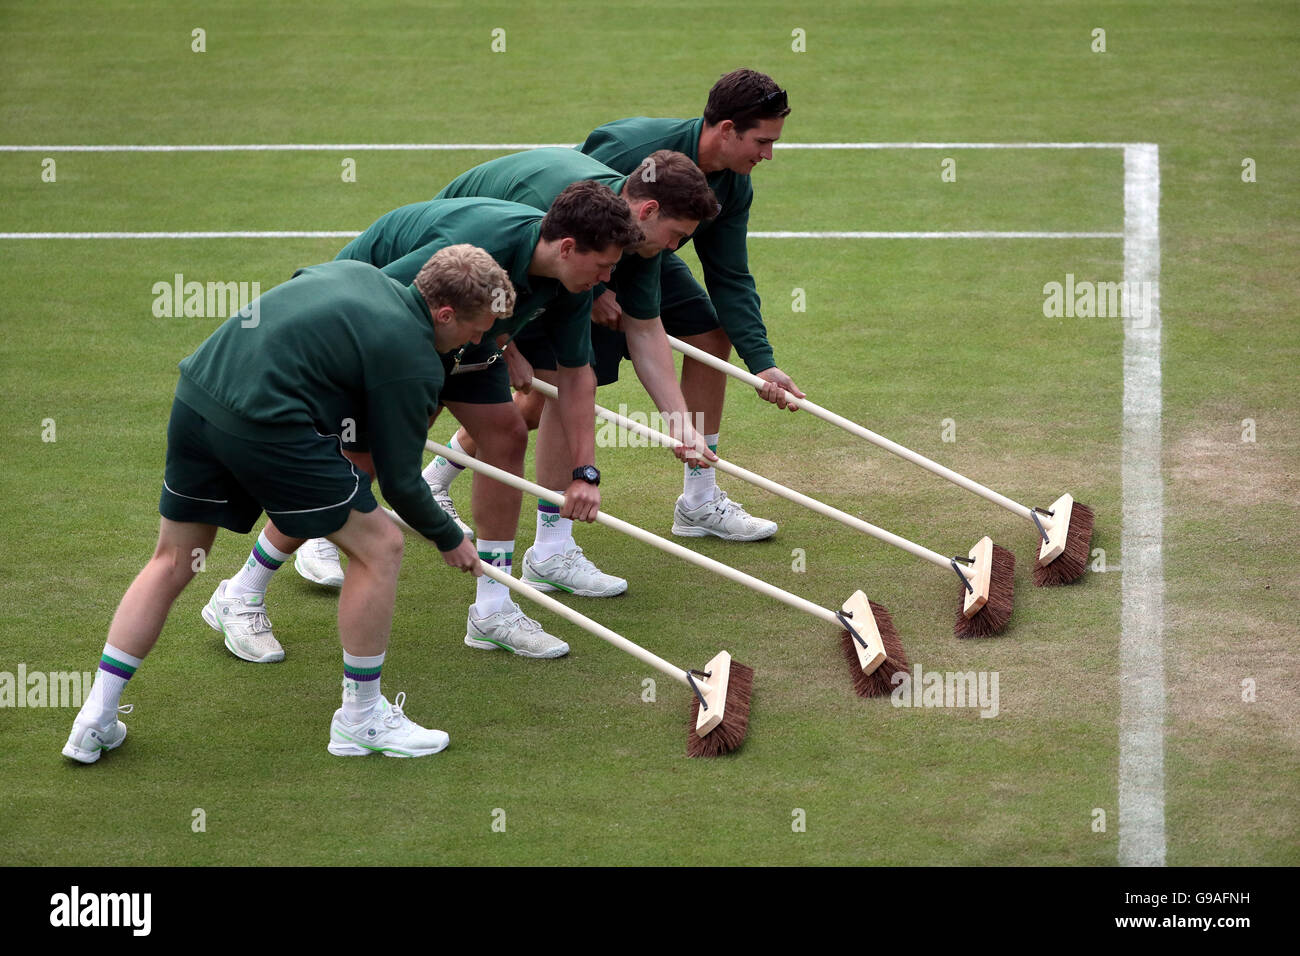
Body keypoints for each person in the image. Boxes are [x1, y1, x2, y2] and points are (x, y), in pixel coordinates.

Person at [63, 245, 510, 763]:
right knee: (381, 547)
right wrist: (450, 539)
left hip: (199, 395)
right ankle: (361, 720)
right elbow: (403, 485)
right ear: (444, 313)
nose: (481, 342)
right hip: (266, 422)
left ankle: (94, 716)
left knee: (173, 560)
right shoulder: (413, 360)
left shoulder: (354, 272)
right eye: (477, 330)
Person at [208, 187, 644, 663]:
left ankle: (493, 609)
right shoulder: (479, 248)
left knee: (505, 434)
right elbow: (374, 299)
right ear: (566, 248)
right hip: (384, 326)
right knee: (362, 466)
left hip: (466, 334)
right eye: (602, 266)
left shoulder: (571, 282)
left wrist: (585, 472)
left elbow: (577, 373)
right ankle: (241, 592)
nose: (607, 280)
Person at [416, 147, 720, 597]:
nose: (675, 248)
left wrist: (680, 426)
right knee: (418, 391)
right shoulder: (559, 212)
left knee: (553, 388)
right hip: (459, 262)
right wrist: (505, 342)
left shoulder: (628, 239)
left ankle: (546, 551)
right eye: (675, 235)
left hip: (523, 282)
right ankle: (323, 524)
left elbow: (644, 329)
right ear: (649, 210)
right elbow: (467, 274)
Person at [578, 68, 806, 541]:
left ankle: (699, 500)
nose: (769, 154)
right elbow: (564, 217)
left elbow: (729, 276)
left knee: (709, 332)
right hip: (582, 260)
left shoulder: (735, 184)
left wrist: (762, 364)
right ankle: (439, 475)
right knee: (546, 396)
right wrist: (595, 289)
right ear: (727, 130)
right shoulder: (629, 151)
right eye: (762, 142)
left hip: (649, 257)